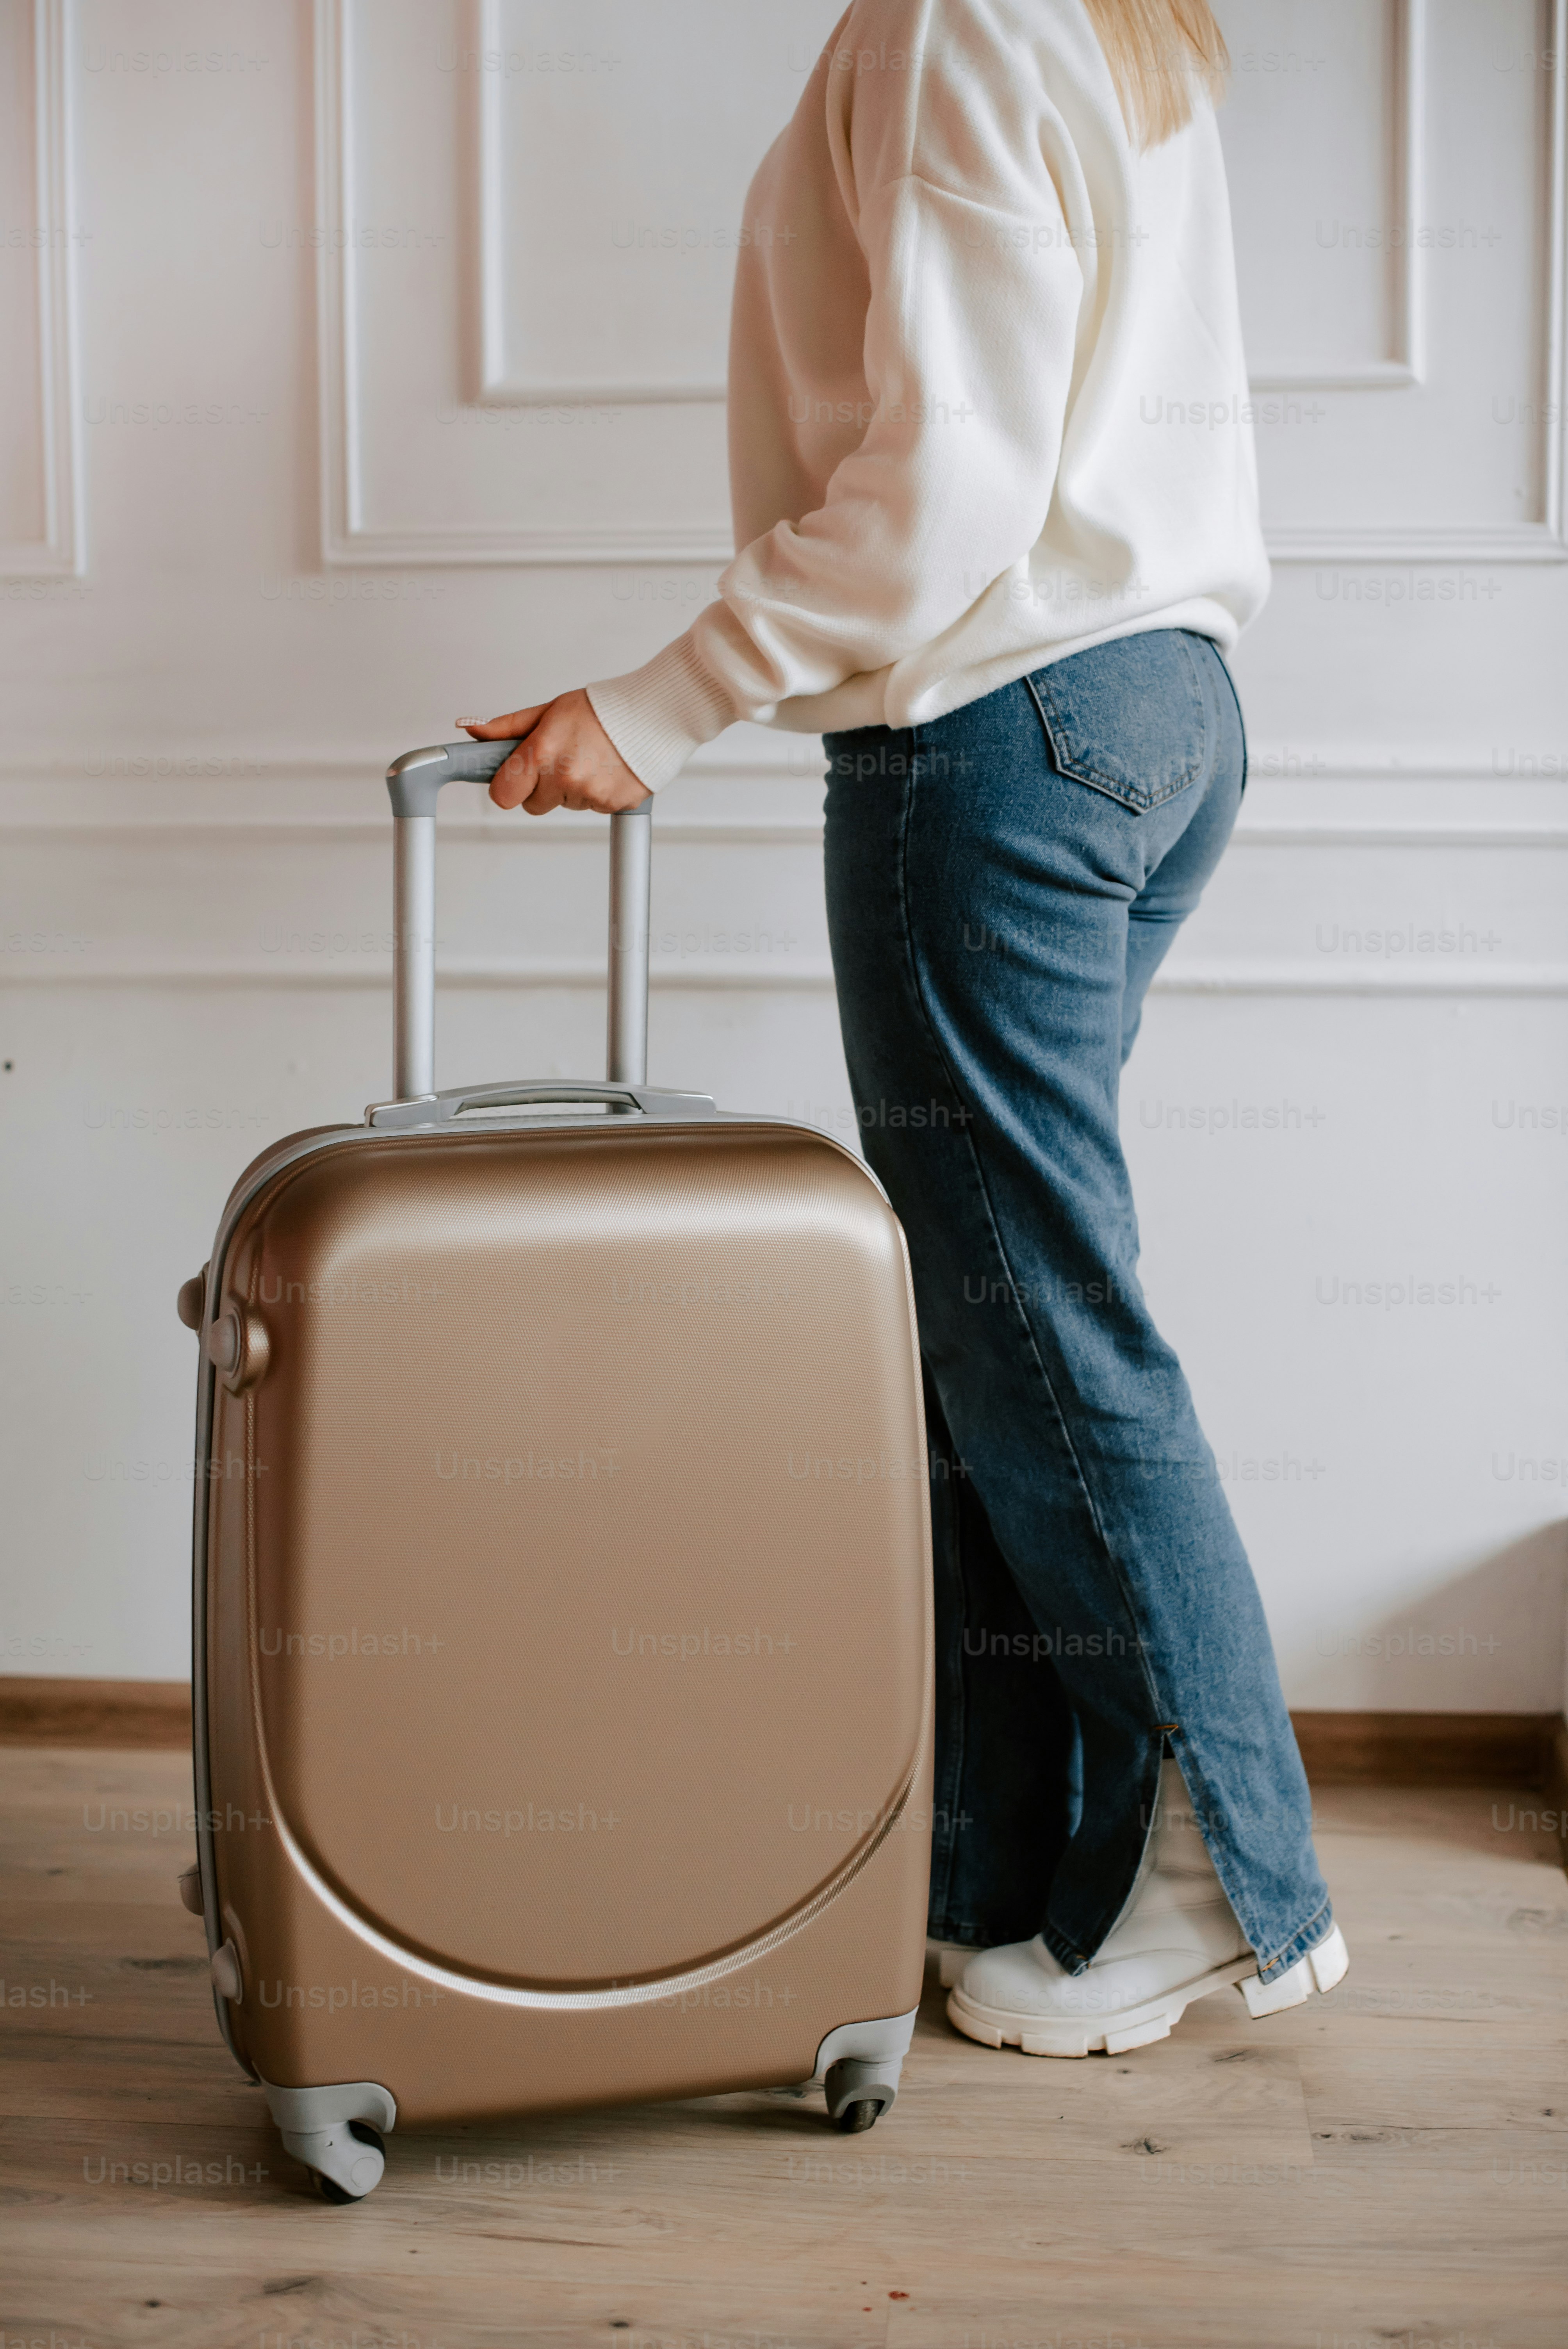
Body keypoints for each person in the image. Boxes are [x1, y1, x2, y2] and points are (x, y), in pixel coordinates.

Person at [459, 0, 1348, 2058]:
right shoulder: (1096, 16)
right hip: (1159, 703)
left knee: (1036, 1319)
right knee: (993, 1324)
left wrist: (662, 700)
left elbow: (948, 487)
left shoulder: (957, 17)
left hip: (1008, 723)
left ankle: (1234, 1874)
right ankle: (1034, 1882)